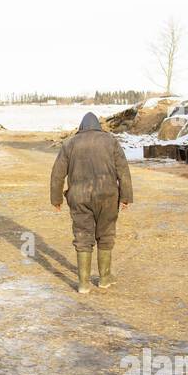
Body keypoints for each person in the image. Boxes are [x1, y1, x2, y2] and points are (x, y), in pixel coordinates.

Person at [50, 111, 132, 293]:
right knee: (106, 234)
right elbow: (123, 171)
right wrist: (126, 197)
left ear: (81, 127)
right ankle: (104, 278)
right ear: (98, 126)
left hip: (79, 197)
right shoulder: (110, 141)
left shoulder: (69, 143)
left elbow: (57, 174)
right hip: (108, 196)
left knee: (82, 235)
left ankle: (83, 284)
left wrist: (56, 199)